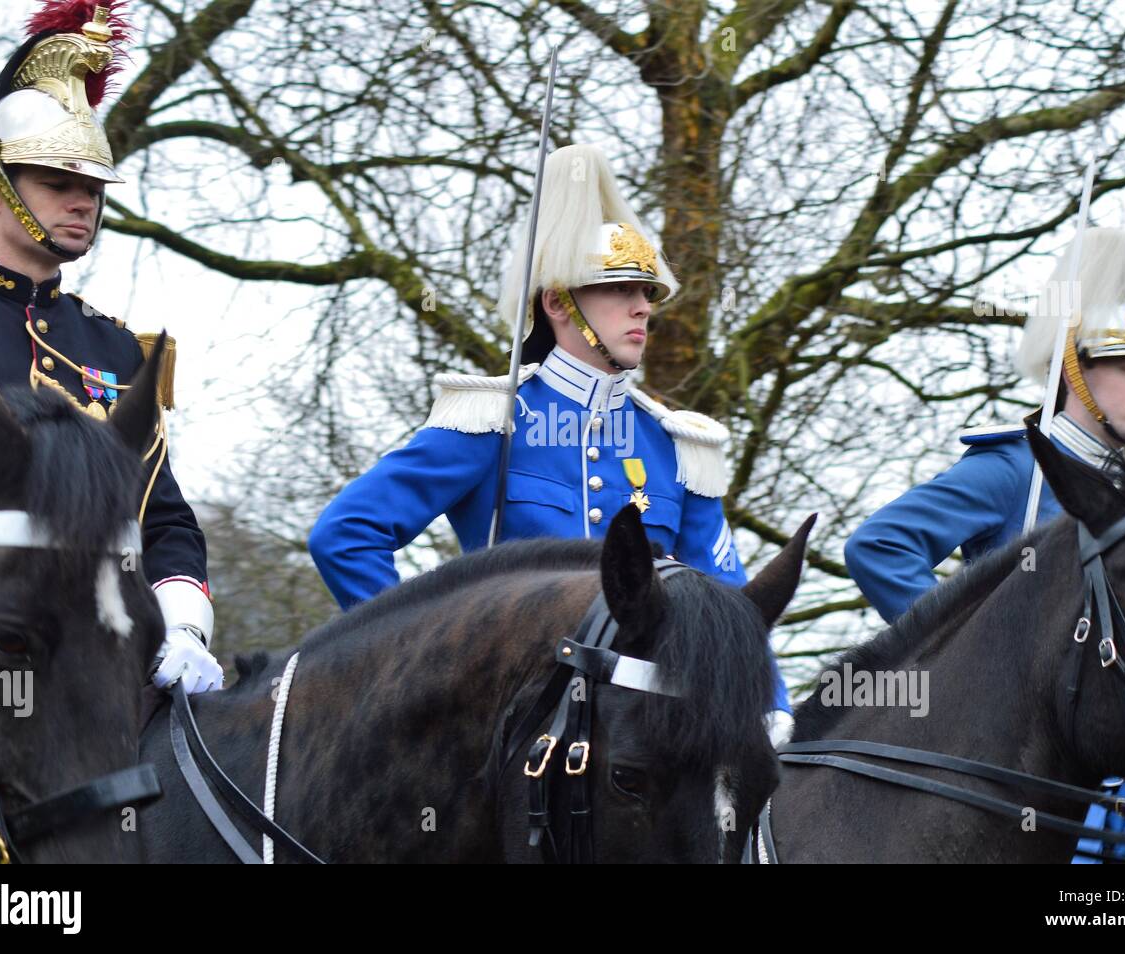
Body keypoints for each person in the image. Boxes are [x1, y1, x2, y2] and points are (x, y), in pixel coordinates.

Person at [309, 143, 793, 741]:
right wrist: (427, 664)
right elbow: (346, 536)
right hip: (511, 727)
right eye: (620, 288)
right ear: (559, 302)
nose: (643, 305)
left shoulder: (678, 446)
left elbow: (731, 606)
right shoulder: (492, 420)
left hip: (643, 735)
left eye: (648, 292)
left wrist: (773, 706)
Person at [843, 227, 1125, 861]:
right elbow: (879, 546)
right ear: (1078, 370)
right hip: (1018, 774)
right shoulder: (1015, 472)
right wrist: (976, 651)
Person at [0, 0, 221, 693]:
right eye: (58, 184)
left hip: (96, 658)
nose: (82, 202)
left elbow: (164, 515)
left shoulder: (114, 346)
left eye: (91, 188)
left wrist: (182, 624)